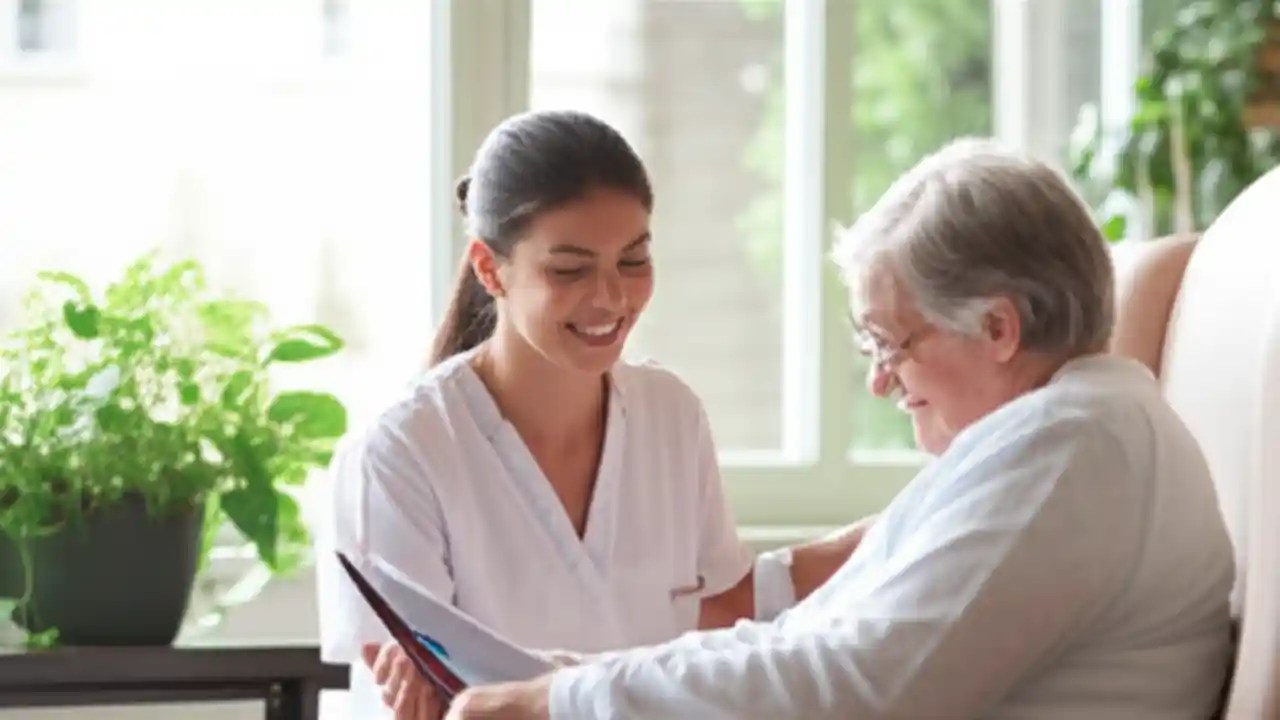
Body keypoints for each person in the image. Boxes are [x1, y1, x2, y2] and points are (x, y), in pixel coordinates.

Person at [434, 138, 1237, 720]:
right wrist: (578, 677)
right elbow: (810, 641)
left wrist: (569, 699)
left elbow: (856, 685)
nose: (882, 380)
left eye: (892, 343)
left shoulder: (1076, 449)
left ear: (997, 328)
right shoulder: (1056, 435)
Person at [313, 109, 870, 719]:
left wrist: (915, 521)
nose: (611, 298)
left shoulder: (670, 414)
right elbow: (405, 679)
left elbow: (716, 606)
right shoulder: (405, 449)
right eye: (570, 269)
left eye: (633, 260)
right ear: (488, 268)